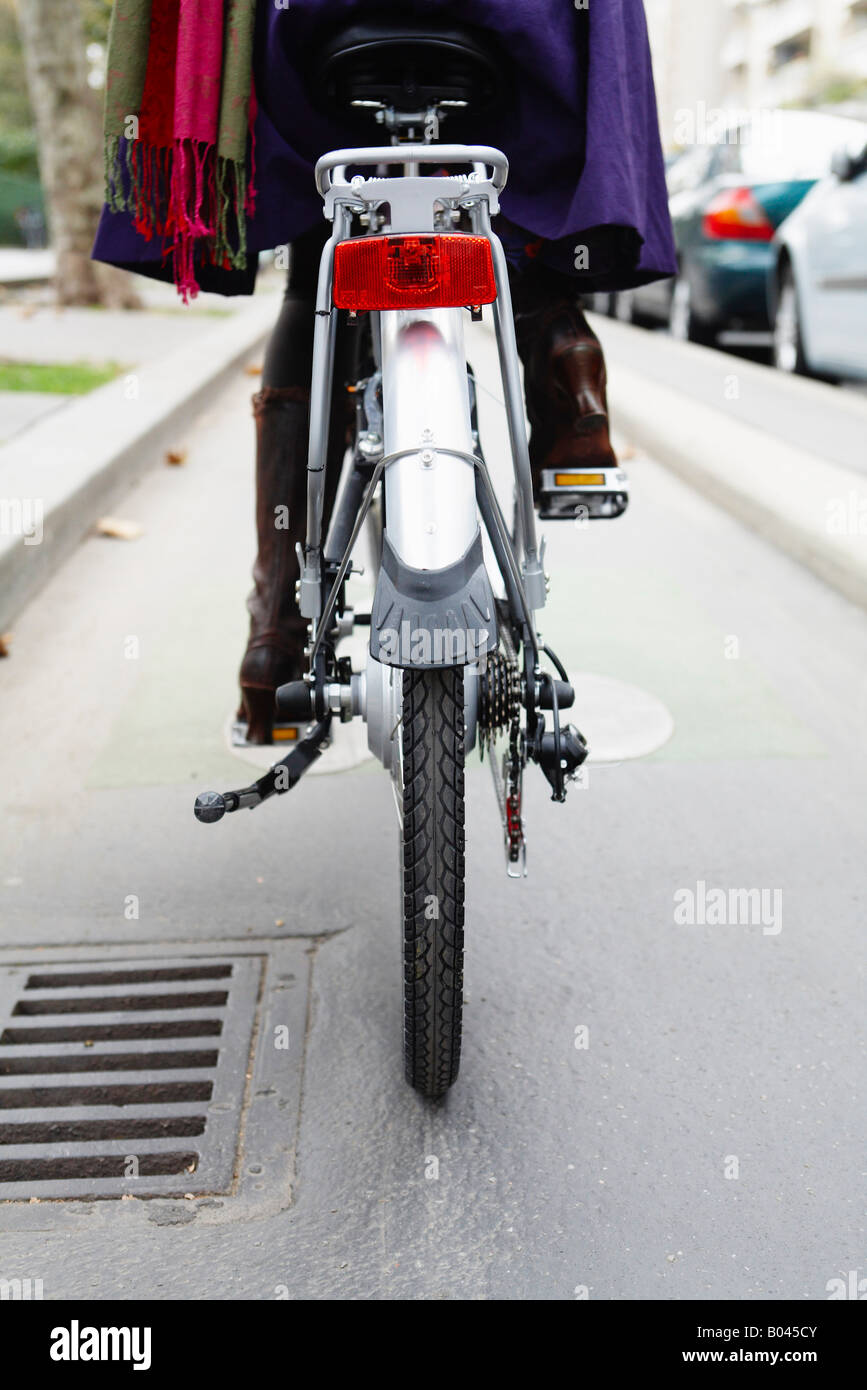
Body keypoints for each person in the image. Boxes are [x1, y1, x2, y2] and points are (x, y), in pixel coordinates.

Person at [93, 0, 676, 742]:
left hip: (317, 24)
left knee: (317, 233)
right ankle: (563, 351)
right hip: (509, 23)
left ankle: (273, 633)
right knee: (516, 162)